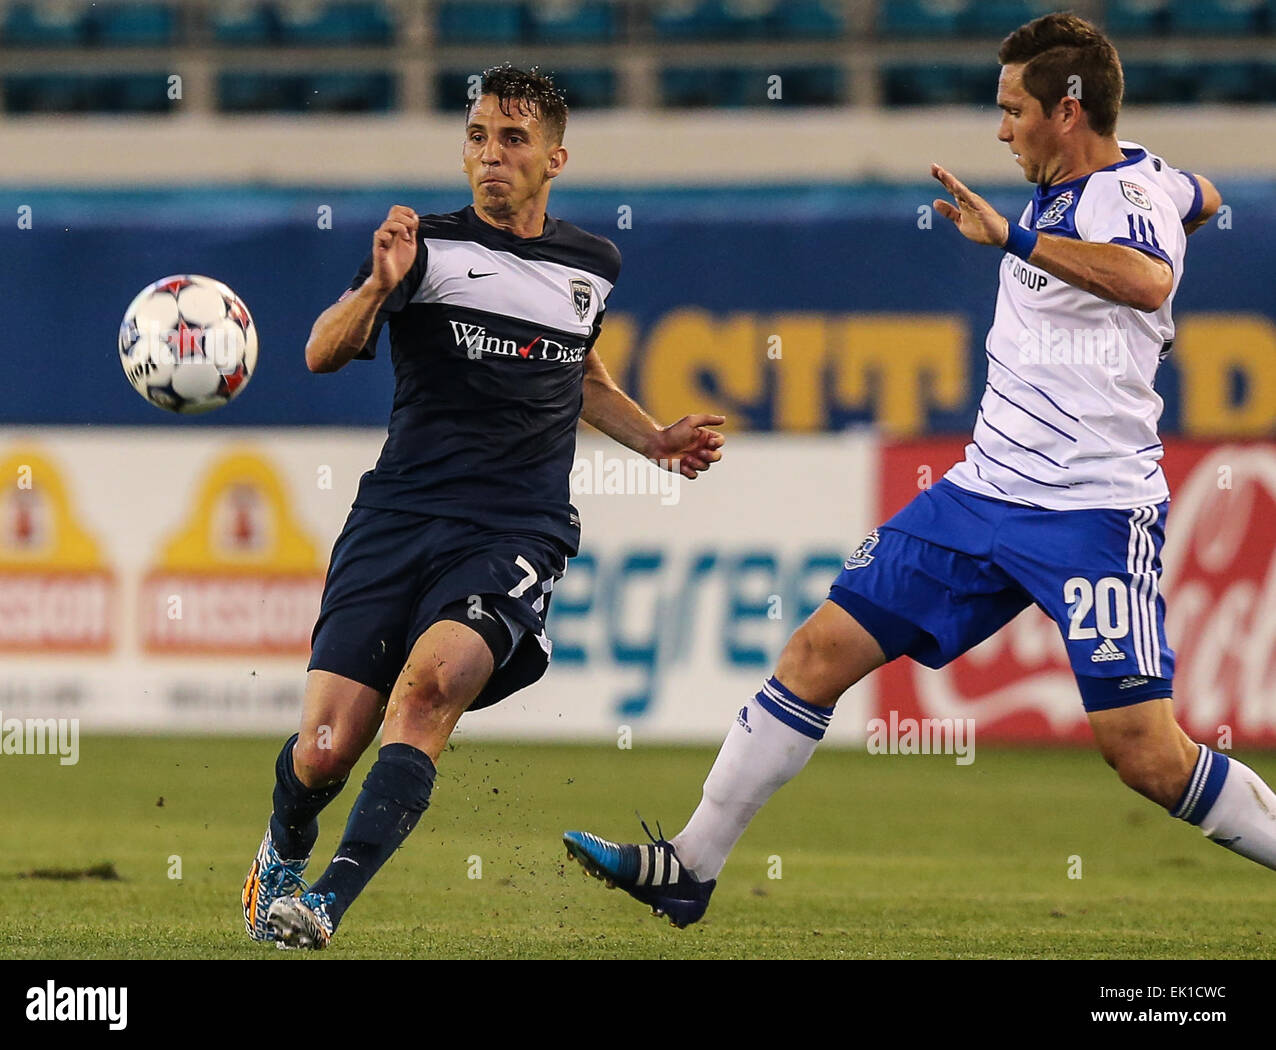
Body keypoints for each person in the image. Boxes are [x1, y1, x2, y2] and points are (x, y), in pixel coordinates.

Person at [562, 13, 1250, 930]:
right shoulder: (1147, 176)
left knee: (1147, 757)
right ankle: (686, 866)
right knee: (815, 654)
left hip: (1092, 512)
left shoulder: (1110, 204)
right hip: (978, 496)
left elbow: (1148, 279)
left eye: (1014, 110)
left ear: (1068, 110)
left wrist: (1012, 236)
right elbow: (1197, 196)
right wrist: (1181, 197)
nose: (1001, 129)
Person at [241, 65, 724, 949]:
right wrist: (380, 286)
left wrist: (655, 439)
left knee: (429, 688)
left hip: (514, 528)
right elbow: (320, 351)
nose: (490, 156)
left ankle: (323, 906)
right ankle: (283, 847)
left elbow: (577, 370)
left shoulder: (593, 263)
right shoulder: (420, 247)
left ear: (555, 157)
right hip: (397, 519)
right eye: (476, 138)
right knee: (323, 749)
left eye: (511, 140)